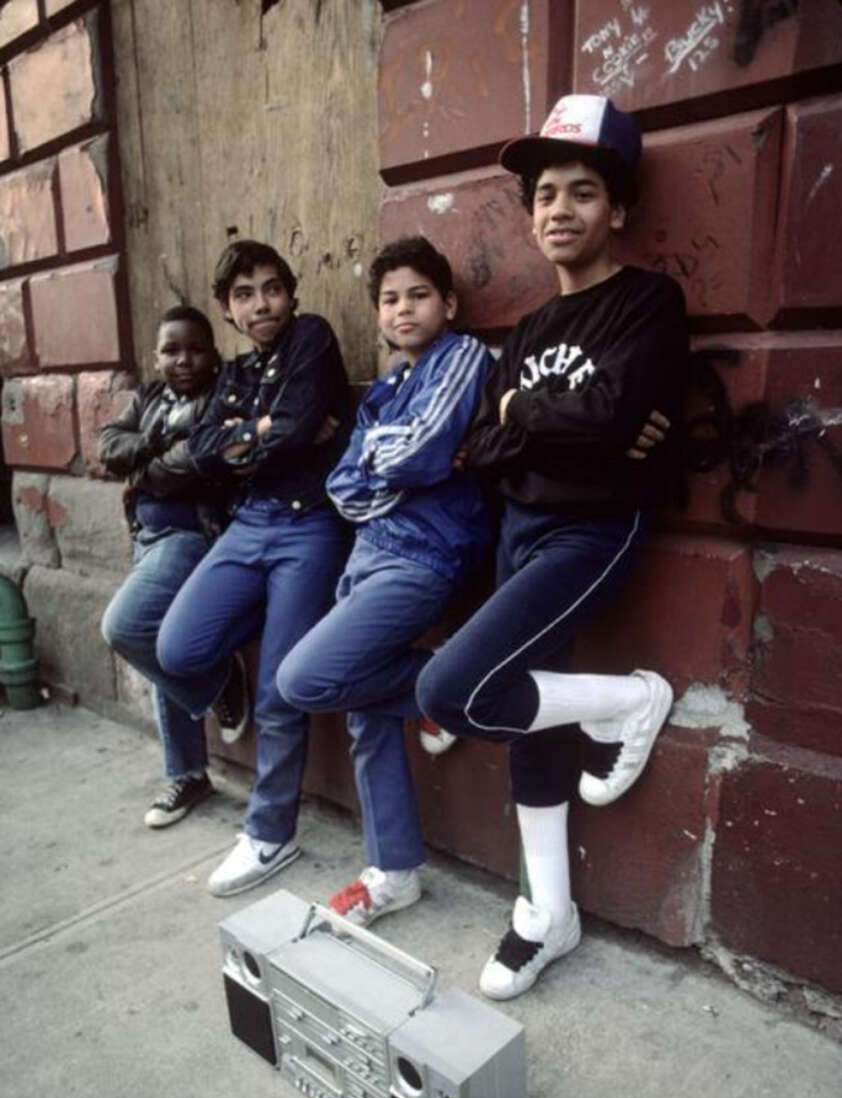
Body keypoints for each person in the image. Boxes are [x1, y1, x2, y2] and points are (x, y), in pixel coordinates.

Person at [416, 94, 688, 1000]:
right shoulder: (529, 330)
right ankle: (549, 915)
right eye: (543, 195)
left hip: (592, 531)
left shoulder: (648, 302)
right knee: (529, 713)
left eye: (581, 191)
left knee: (450, 689)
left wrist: (526, 413)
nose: (558, 210)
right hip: (521, 531)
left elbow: (611, 417)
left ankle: (629, 699)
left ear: (618, 209)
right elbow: (482, 452)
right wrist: (563, 424)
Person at [277, 236, 493, 925]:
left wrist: (389, 462)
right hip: (368, 556)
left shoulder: (463, 359)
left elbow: (421, 449)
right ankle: (394, 870)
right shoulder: (388, 388)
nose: (403, 309)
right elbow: (345, 485)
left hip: (424, 558)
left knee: (302, 679)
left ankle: (440, 681)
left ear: (449, 303)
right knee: (366, 709)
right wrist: (389, 462)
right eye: (390, 299)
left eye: (419, 295)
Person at [156, 240, 353, 897]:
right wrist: (261, 430)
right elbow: (204, 450)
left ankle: (271, 832)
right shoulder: (236, 374)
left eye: (272, 288)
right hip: (249, 525)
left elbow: (294, 431)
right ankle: (234, 678)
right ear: (228, 309)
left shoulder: (313, 338)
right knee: (177, 647)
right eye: (244, 294)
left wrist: (257, 431)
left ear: (291, 294)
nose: (261, 303)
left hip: (309, 529)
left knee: (278, 693)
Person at [100, 305, 249, 829]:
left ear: (213, 353)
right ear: (156, 355)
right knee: (156, 637)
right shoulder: (148, 397)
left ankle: (218, 681)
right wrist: (156, 443)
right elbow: (108, 445)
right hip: (146, 535)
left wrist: (145, 465)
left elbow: (198, 464)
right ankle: (187, 773)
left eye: (195, 348)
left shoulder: (226, 392)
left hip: (193, 535)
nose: (183, 359)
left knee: (123, 626)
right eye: (171, 349)